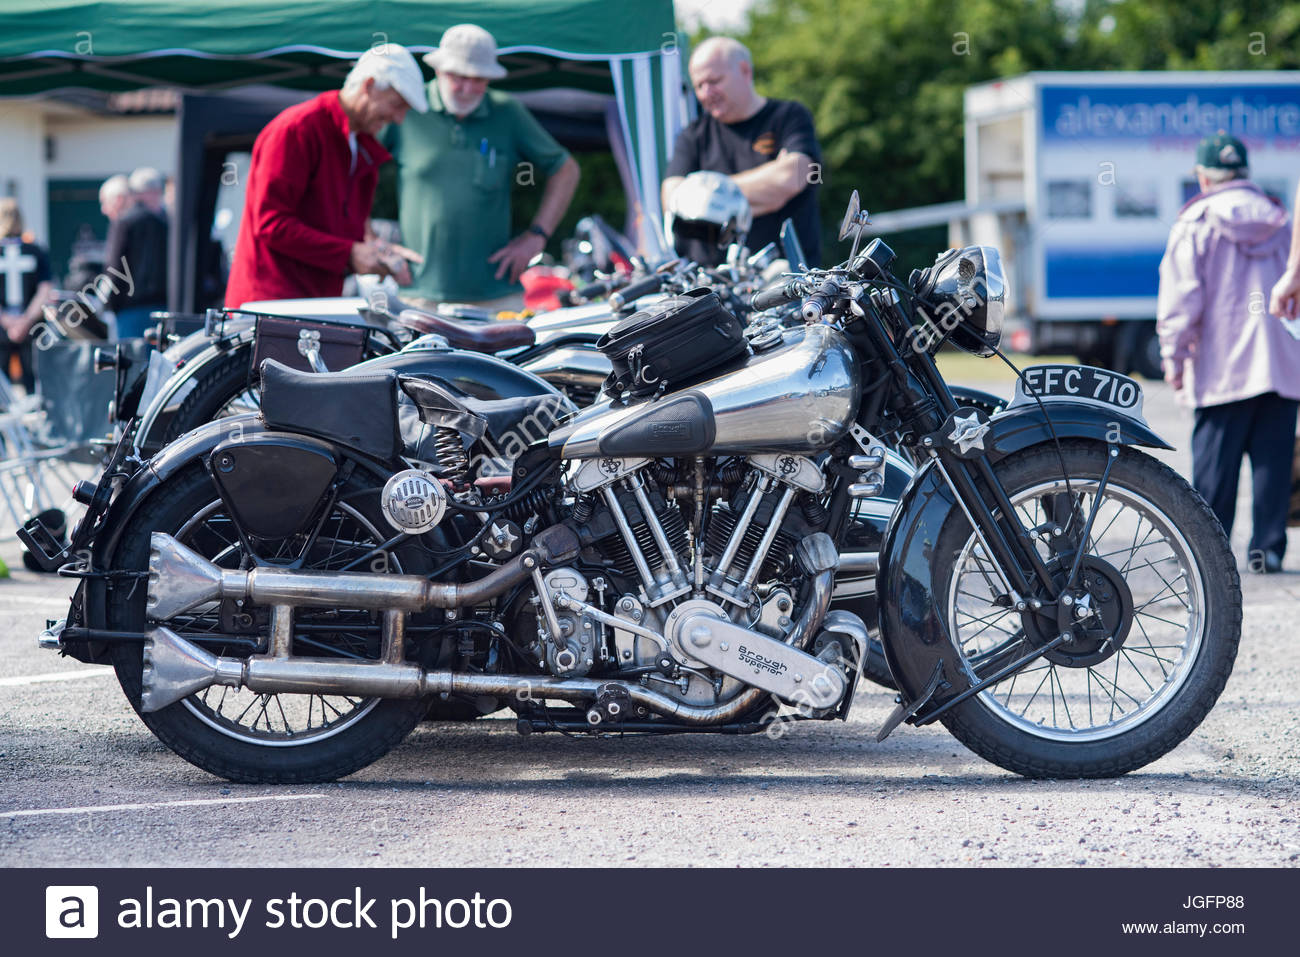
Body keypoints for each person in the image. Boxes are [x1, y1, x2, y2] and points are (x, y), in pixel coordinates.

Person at [1157, 132, 1300, 573]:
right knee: (1272, 466)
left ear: (1203, 178)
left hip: (1222, 370)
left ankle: (1209, 558)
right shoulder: (1283, 220)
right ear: (1244, 174)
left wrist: (1174, 358)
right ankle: (1268, 551)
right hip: (1281, 365)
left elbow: (1182, 300)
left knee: (1215, 475)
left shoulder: (1195, 222)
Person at [384, 23, 580, 309]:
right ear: (438, 70)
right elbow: (351, 166)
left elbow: (566, 169)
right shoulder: (409, 108)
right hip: (418, 294)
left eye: (478, 78)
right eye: (458, 77)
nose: (467, 88)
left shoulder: (507, 112)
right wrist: (372, 242)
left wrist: (536, 237)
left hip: (496, 297)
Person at [224, 45, 429, 308]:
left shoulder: (361, 145)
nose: (399, 119)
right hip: (270, 305)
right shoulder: (297, 129)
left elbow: (340, 228)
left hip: (314, 304)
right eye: (396, 105)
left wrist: (376, 250)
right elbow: (269, 223)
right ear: (368, 86)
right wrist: (351, 253)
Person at [661, 36, 822, 267]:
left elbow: (793, 176)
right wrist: (765, 187)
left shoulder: (789, 116)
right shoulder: (692, 135)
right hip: (713, 287)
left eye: (714, 81)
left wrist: (704, 197)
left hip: (789, 283)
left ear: (745, 71)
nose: (706, 93)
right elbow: (673, 199)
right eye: (698, 86)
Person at [103, 167, 169, 337]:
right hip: (164, 310)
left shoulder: (125, 222)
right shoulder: (169, 223)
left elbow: (115, 267)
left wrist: (111, 305)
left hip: (130, 311)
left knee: (133, 361)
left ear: (136, 193)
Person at [0, 199, 54, 393]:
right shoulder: (36, 250)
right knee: (32, 382)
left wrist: (6, 320)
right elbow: (45, 289)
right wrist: (26, 320)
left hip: (6, 323)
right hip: (31, 324)